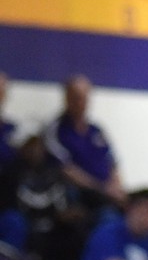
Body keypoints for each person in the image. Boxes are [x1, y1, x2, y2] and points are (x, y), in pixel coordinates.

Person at [44, 75, 124, 212]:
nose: (81, 102)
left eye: (85, 97)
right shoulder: (56, 131)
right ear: (67, 98)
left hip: (108, 194)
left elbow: (112, 162)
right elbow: (66, 169)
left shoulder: (96, 131)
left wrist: (116, 188)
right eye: (77, 97)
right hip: (81, 197)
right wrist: (101, 189)